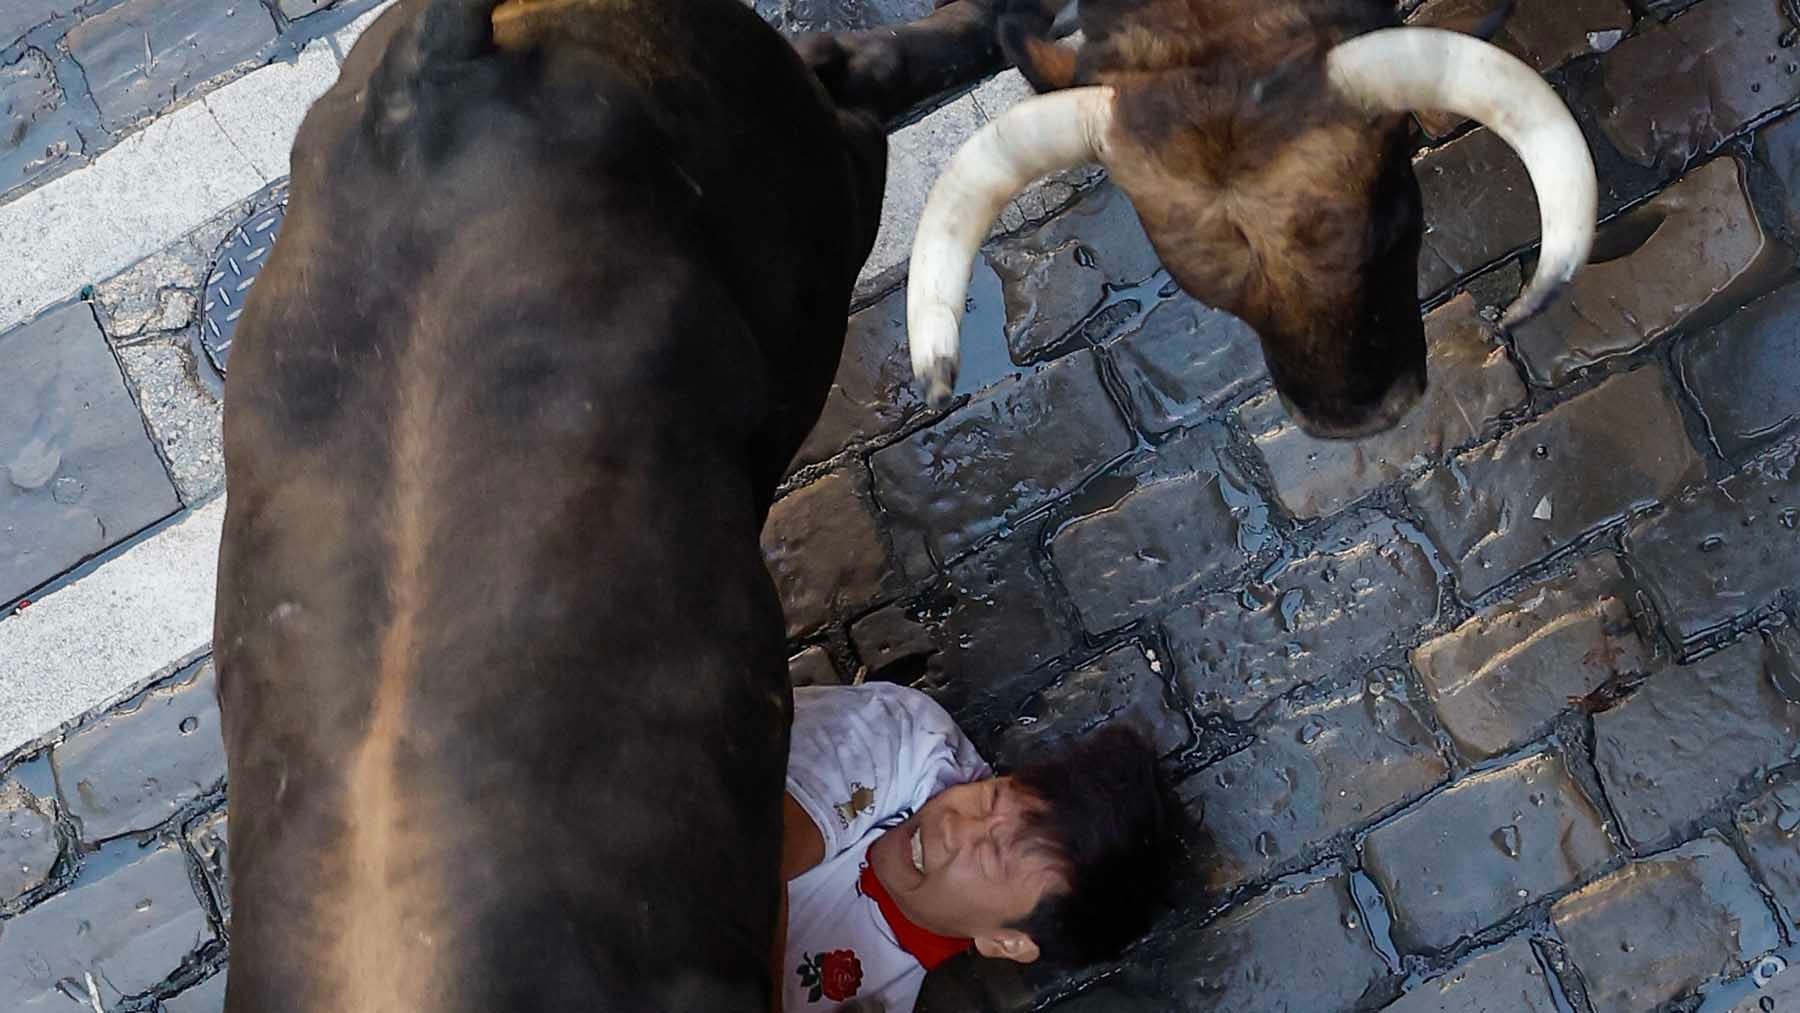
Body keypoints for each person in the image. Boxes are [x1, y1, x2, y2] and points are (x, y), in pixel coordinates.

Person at [775, 681, 1174, 1012]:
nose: (953, 825)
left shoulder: (880, 1002)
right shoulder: (903, 739)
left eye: (989, 855)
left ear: (1007, 942)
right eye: (990, 798)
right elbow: (738, 857)